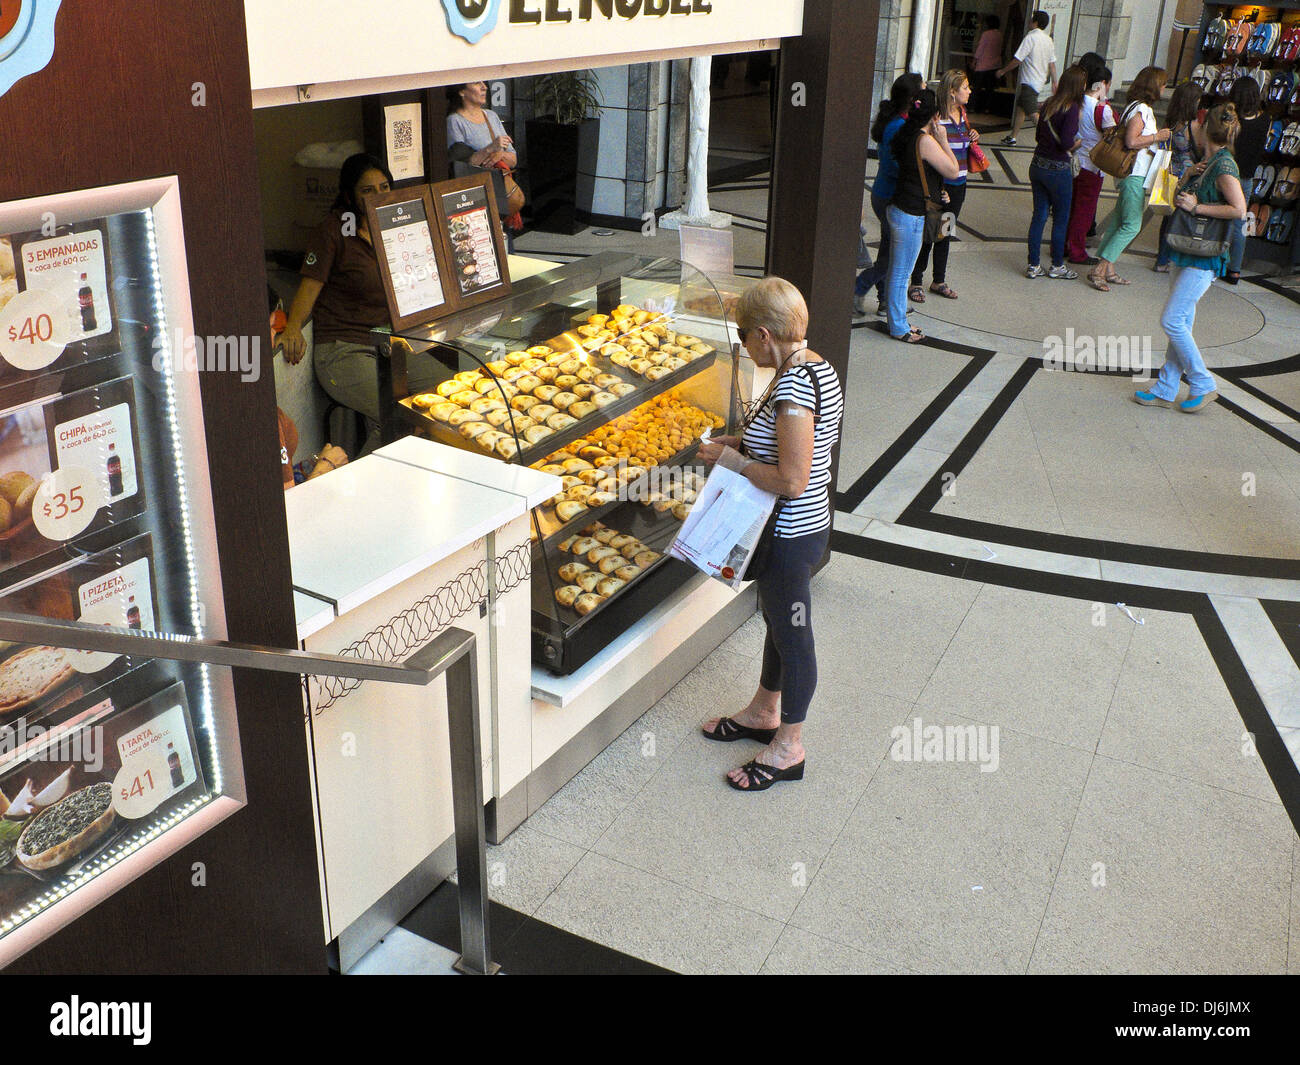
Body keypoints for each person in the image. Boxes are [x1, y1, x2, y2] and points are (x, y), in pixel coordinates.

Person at [698, 277, 844, 792]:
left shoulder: (793, 388)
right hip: (809, 526)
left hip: (789, 532)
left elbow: (790, 478)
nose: (742, 344)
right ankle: (764, 712)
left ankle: (789, 748)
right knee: (779, 625)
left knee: (794, 638)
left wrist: (731, 460)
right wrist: (742, 441)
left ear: (764, 334)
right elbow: (787, 448)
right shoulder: (815, 365)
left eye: (743, 334)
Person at [1134, 103, 1246, 414]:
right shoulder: (1208, 163)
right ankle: (1166, 387)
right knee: (1180, 321)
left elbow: (1239, 209)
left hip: (1204, 254)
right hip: (1186, 248)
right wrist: (1186, 178)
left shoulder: (1224, 167)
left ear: (1204, 130)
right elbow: (1178, 200)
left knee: (1171, 320)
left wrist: (1197, 207)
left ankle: (1203, 381)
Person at [884, 90, 961, 342]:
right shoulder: (925, 140)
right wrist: (944, 141)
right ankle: (898, 327)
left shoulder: (907, 134)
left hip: (900, 207)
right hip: (911, 214)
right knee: (901, 273)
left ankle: (900, 321)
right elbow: (952, 170)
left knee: (899, 270)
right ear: (935, 116)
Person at [1090, 67, 1172, 292]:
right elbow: (1131, 141)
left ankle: (1108, 269)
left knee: (1119, 220)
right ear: (1154, 85)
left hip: (1131, 173)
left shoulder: (1135, 107)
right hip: (1134, 174)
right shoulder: (1142, 110)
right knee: (1132, 225)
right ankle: (1100, 269)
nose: (1164, 88)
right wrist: (1158, 136)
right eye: (1163, 84)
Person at [854, 73, 925, 318]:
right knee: (892, 257)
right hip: (890, 197)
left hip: (885, 194)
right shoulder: (899, 126)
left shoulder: (897, 121)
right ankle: (858, 288)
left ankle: (884, 300)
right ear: (913, 99)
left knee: (888, 251)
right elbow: (896, 165)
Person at [910, 69, 977, 301]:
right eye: (965, 87)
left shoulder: (962, 113)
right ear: (952, 91)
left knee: (946, 232)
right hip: (942, 183)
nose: (969, 91)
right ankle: (916, 280)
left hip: (960, 182)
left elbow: (962, 141)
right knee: (931, 231)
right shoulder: (938, 117)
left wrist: (972, 135)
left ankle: (939, 279)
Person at [1026, 66, 1086, 279]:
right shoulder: (1072, 108)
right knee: (1061, 218)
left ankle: (1033, 265)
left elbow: (1037, 137)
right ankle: (1057, 265)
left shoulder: (1049, 104)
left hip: (1038, 164)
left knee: (1039, 216)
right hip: (1058, 169)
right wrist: (1077, 143)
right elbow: (1067, 143)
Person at [447, 82, 519, 248]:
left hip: (499, 192)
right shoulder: (454, 121)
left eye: (484, 83)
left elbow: (514, 158)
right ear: (462, 92)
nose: (484, 87)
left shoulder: (491, 116)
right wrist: (490, 149)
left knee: (505, 243)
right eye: (476, 83)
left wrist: (499, 155)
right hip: (474, 197)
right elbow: (461, 165)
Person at [1065, 65, 1115, 265]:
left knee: (1068, 207)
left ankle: (1060, 245)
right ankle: (1077, 251)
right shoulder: (1102, 110)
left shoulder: (1074, 102)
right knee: (1083, 212)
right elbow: (1112, 137)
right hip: (1092, 166)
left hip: (1072, 161)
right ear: (1102, 84)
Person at [1154, 82, 1205, 272]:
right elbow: (1200, 148)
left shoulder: (1171, 122)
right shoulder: (1193, 126)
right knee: (1181, 218)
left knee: (1168, 218)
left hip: (1170, 172)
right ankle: (1171, 259)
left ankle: (1161, 258)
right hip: (1188, 174)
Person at [1223, 77, 1269, 284]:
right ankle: (1235, 270)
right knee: (1242, 222)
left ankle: (1219, 262)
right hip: (1248, 176)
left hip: (1227, 174)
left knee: (1221, 218)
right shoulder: (1265, 120)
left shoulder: (1230, 118)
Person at [998, 11, 1057, 146]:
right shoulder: (1048, 40)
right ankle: (1013, 137)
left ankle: (1049, 139)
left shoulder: (1030, 38)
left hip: (1029, 82)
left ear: (1035, 22)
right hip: (1039, 81)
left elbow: (1018, 59)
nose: (1029, 22)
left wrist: (1003, 71)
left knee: (1033, 114)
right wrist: (1055, 81)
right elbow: (1052, 64)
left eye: (1031, 20)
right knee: (1021, 108)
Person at [971, 16, 1003, 113]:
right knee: (990, 89)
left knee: (976, 88)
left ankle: (972, 107)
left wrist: (974, 61)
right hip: (995, 65)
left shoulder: (986, 34)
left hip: (982, 65)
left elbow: (980, 49)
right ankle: (987, 108)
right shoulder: (1000, 35)